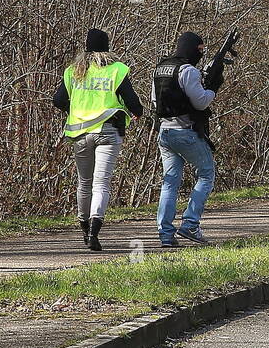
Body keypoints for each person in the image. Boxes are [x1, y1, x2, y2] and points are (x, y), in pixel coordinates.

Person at [51, 29, 144, 251]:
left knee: (84, 183)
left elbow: (58, 100)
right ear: (107, 48)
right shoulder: (117, 70)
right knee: (101, 182)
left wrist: (74, 110)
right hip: (108, 131)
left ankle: (84, 228)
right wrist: (137, 112)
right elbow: (132, 100)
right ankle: (94, 232)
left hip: (80, 133)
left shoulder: (74, 71)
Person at [152, 31, 227, 246]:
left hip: (164, 132)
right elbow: (201, 102)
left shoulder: (160, 68)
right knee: (206, 174)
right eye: (200, 50)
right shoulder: (188, 71)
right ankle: (190, 224)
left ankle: (165, 234)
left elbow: (155, 102)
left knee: (170, 183)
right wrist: (213, 87)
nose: (201, 54)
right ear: (192, 49)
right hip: (185, 132)